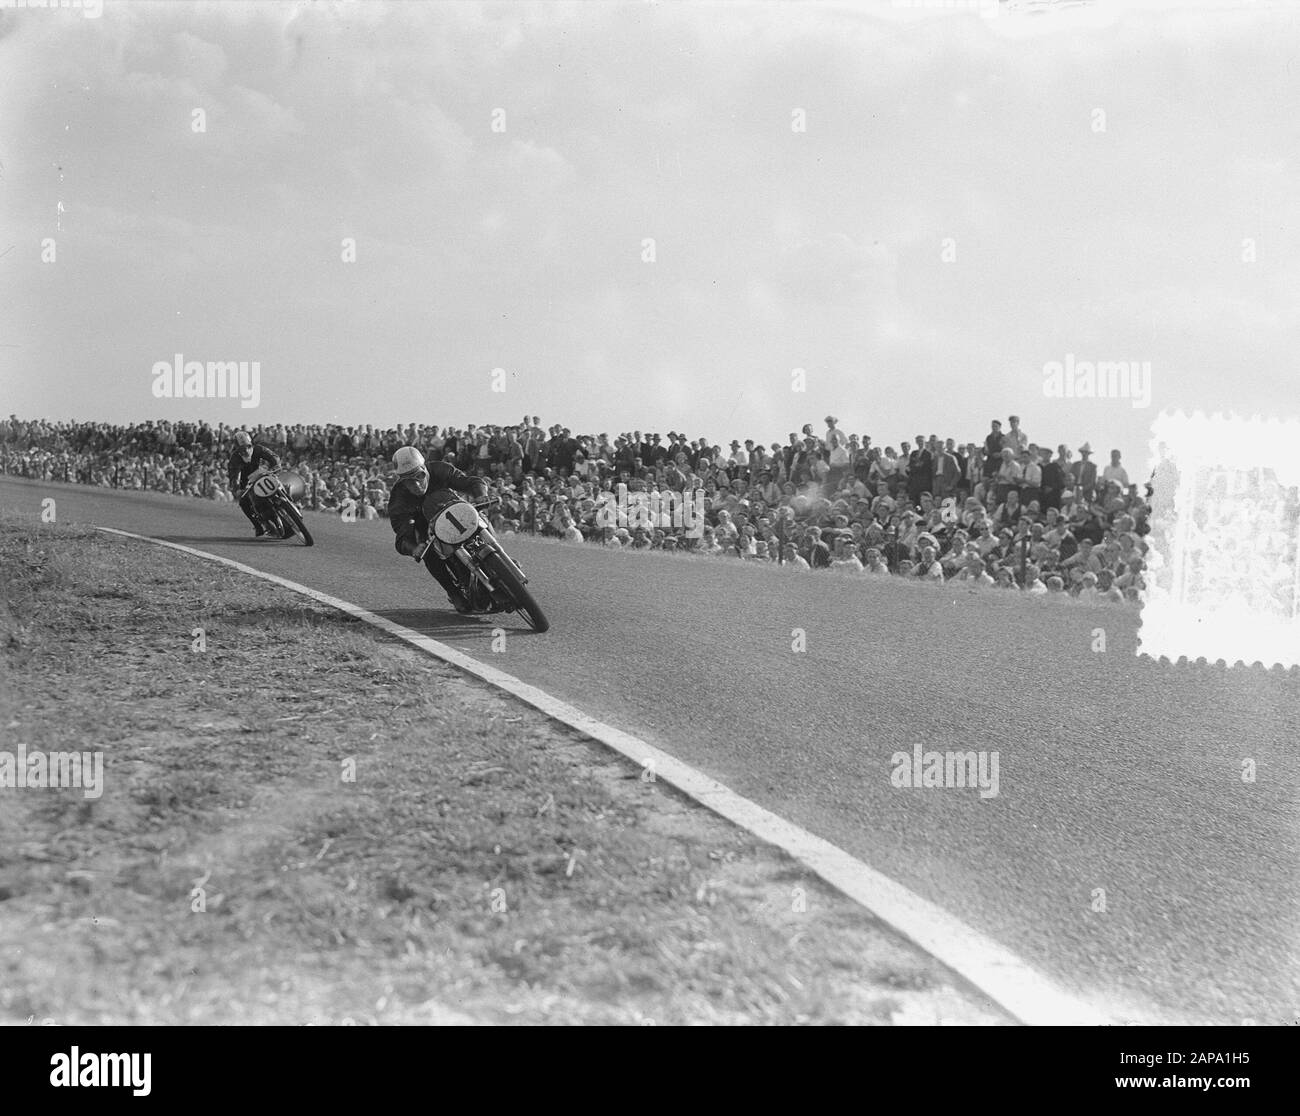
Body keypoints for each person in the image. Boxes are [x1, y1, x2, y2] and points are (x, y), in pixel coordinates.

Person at [388, 446, 489, 613]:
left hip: (457, 512)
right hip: (429, 529)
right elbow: (401, 534)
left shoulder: (440, 469)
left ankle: (498, 553)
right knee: (428, 553)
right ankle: (453, 592)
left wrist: (481, 494)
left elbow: (470, 481)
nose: (416, 484)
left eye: (418, 476)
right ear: (401, 480)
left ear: (425, 469)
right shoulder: (399, 498)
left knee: (480, 515)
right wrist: (414, 547)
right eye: (408, 480)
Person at [227, 430, 283, 537]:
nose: (246, 450)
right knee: (244, 503)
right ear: (237, 448)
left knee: (280, 483)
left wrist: (276, 465)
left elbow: (273, 457)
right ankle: (259, 526)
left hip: (263, 474)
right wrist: (237, 488)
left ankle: (290, 500)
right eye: (242, 448)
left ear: (251, 444)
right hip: (246, 483)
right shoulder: (234, 458)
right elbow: (234, 475)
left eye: (247, 446)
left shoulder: (258, 449)